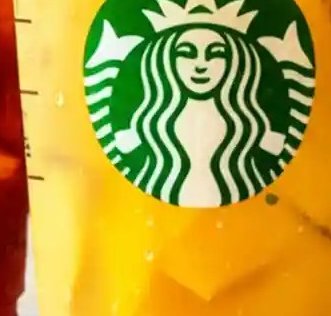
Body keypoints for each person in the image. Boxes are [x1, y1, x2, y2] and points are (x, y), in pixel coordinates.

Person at [112, 24, 287, 207]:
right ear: (168, 62)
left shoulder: (258, 132)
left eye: (216, 54)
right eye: (186, 53)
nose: (201, 65)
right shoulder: (140, 131)